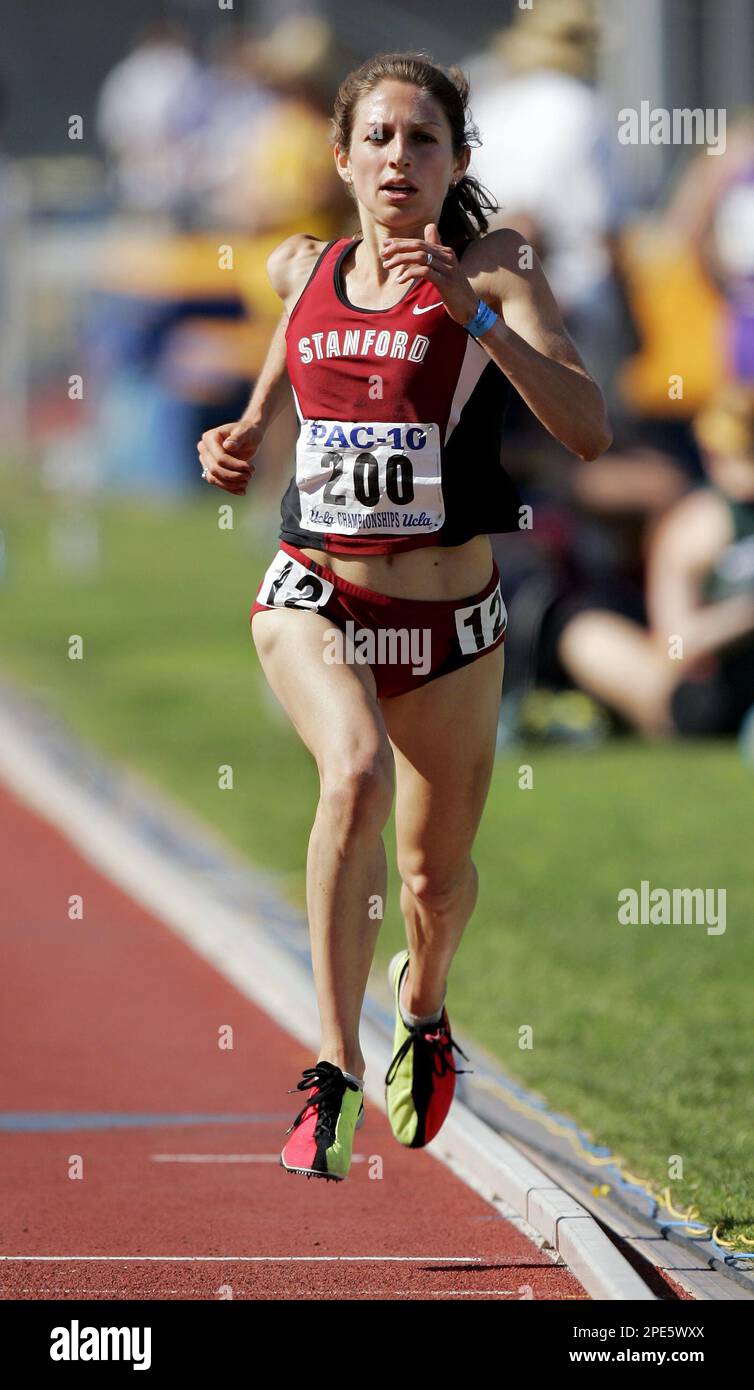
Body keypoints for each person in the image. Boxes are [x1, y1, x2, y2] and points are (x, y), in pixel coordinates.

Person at [198, 52, 611, 1181]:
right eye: (376, 138)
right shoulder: (306, 262)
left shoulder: (500, 267)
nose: (397, 158)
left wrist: (478, 320)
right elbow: (295, 331)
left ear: (456, 162)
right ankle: (330, 1069)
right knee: (354, 777)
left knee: (433, 878)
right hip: (318, 590)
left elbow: (588, 429)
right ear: (342, 157)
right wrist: (241, 431)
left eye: (422, 140)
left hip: (449, 623)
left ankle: (423, 1013)